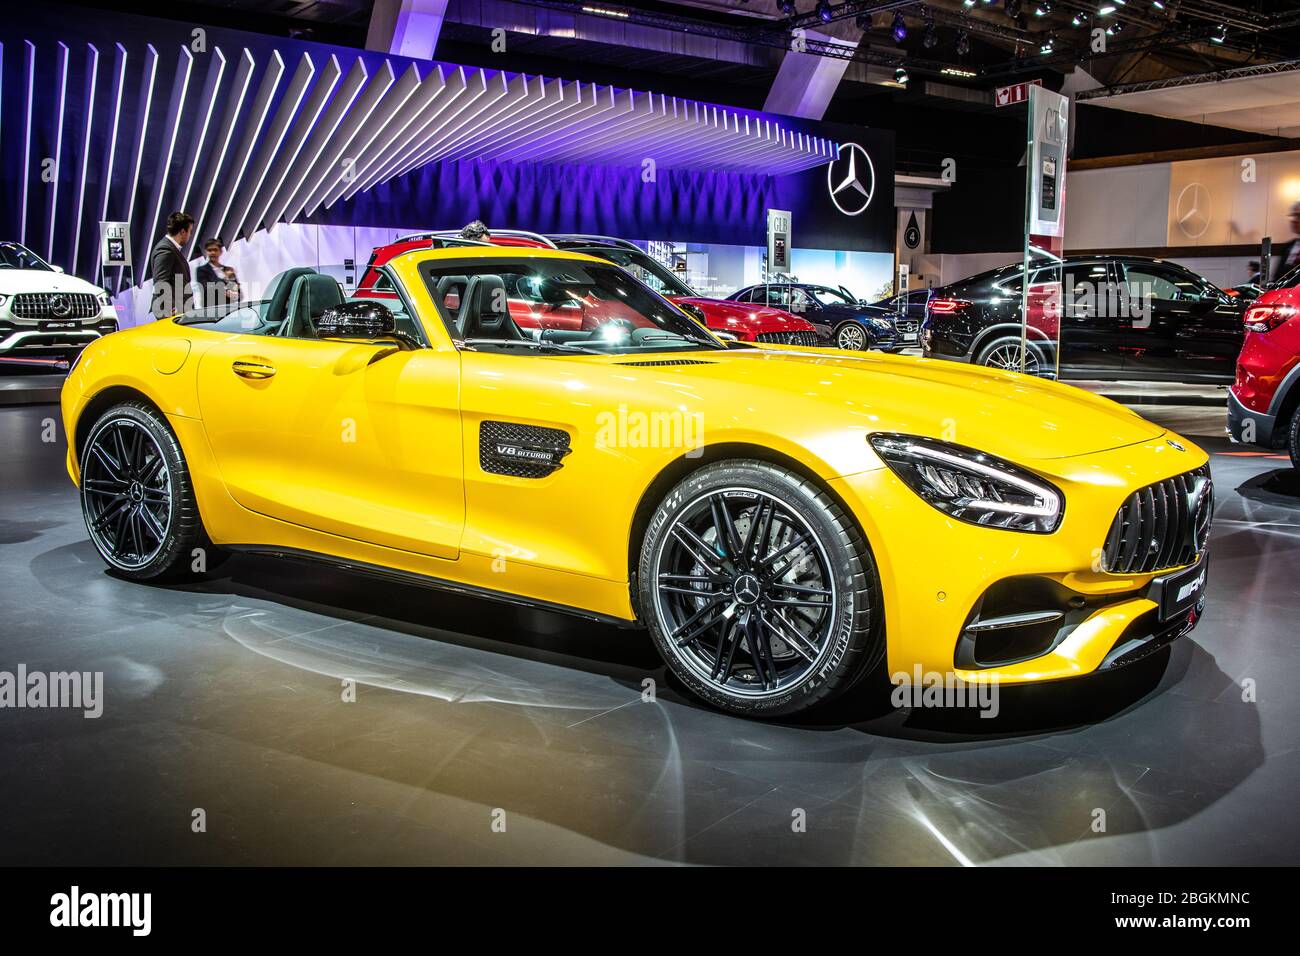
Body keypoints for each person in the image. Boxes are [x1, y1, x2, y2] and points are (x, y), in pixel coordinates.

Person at [149, 212, 194, 319]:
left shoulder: (171, 248)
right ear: (183, 232)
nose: (190, 236)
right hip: (172, 313)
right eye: (190, 232)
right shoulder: (165, 249)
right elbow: (161, 282)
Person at [194, 238, 241, 308]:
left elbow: (238, 293)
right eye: (210, 250)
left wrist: (235, 294)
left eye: (215, 250)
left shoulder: (228, 270)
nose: (213, 252)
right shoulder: (201, 270)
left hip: (230, 311)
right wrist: (227, 290)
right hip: (212, 311)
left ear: (220, 251)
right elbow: (207, 288)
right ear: (206, 252)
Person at [1275, 201, 1300, 281]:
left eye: (1299, 216)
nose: (1294, 220)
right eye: (1293, 215)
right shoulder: (1288, 246)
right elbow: (1277, 278)